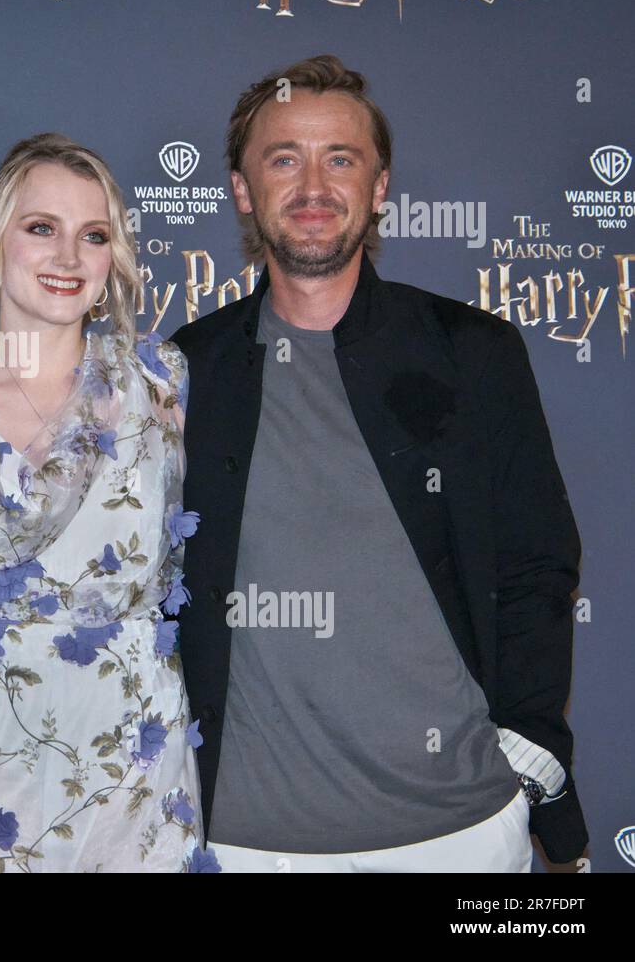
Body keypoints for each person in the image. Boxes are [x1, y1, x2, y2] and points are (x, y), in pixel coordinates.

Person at [171, 54, 587, 871]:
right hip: (250, 842)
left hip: (460, 832)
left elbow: (539, 561)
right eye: (284, 157)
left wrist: (530, 744)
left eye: (342, 158)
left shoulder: (475, 355)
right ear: (242, 191)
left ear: (381, 186)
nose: (314, 184)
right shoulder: (186, 371)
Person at [0, 133, 217, 873]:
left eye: (92, 235)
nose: (68, 257)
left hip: (134, 768)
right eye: (42, 228)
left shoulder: (161, 386)